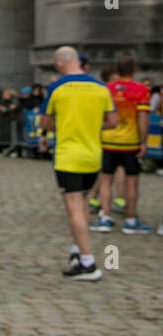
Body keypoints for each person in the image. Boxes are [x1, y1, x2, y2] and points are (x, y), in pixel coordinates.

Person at [38, 46, 117, 281]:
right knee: (81, 203)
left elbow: (45, 121)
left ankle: (88, 261)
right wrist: (91, 127)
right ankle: (76, 250)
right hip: (93, 154)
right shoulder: (101, 88)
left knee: (73, 205)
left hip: (68, 155)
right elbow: (113, 121)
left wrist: (63, 126)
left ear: (61, 63)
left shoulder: (57, 88)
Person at [91, 56, 152, 234]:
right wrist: (143, 141)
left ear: (117, 71)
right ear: (134, 70)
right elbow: (142, 118)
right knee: (132, 182)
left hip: (107, 141)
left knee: (105, 180)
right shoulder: (141, 89)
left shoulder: (105, 89)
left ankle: (104, 217)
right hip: (130, 143)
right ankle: (131, 221)